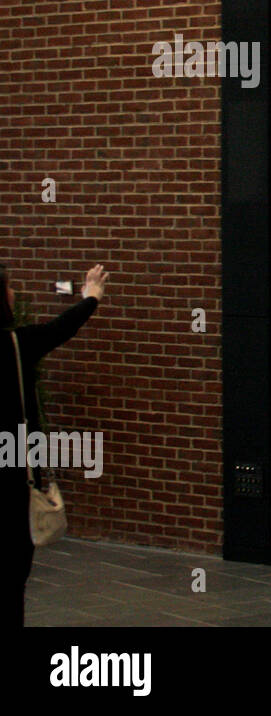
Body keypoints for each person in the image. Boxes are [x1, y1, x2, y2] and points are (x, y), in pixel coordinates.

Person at [2, 263, 107, 627]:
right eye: (9, 288)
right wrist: (91, 297)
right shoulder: (16, 346)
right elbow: (59, 329)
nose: (14, 294)